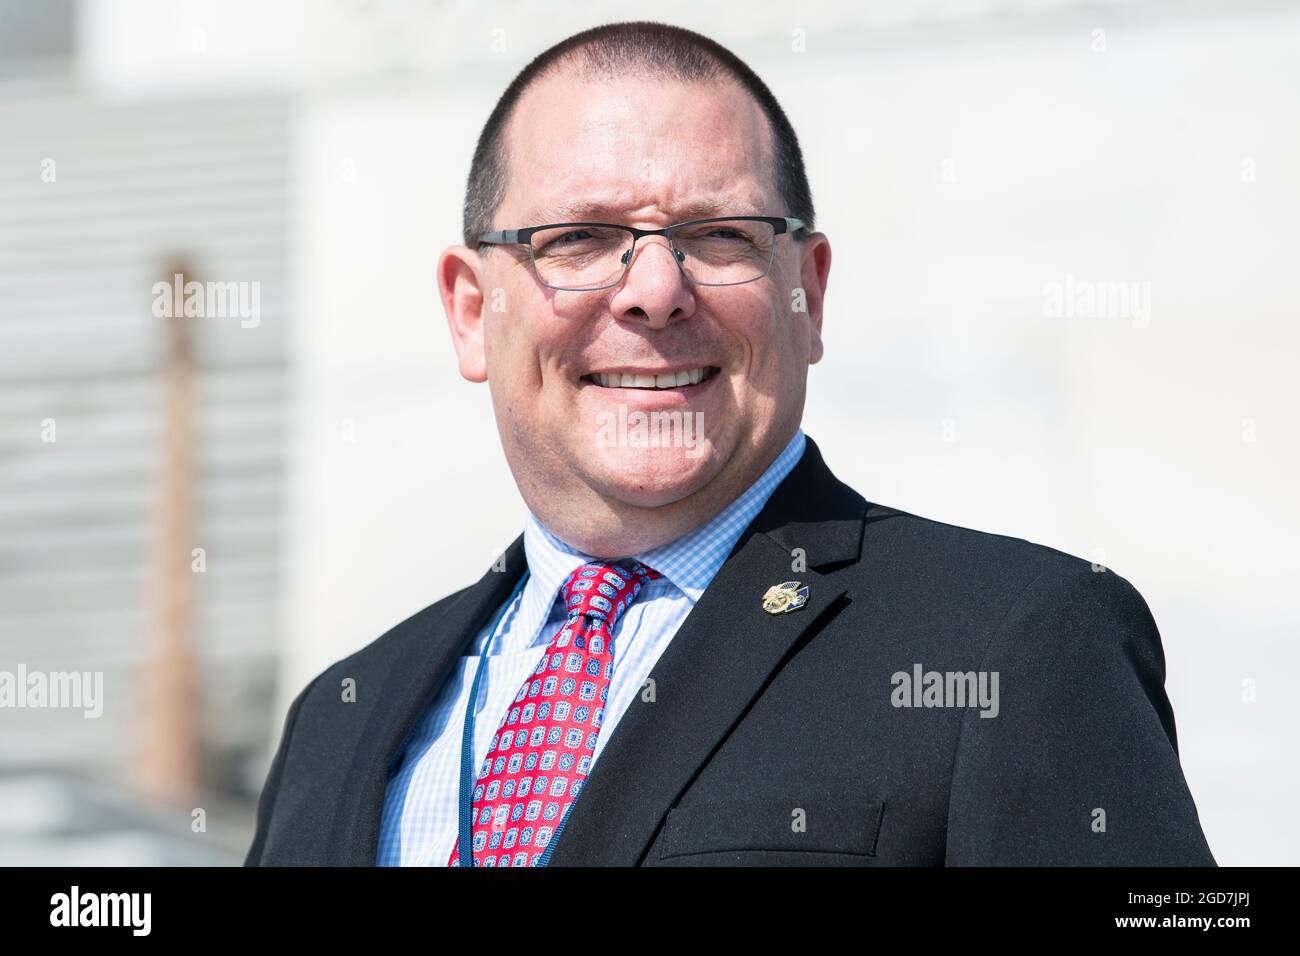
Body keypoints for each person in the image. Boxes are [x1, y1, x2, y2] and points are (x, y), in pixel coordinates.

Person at [245, 20, 1215, 867]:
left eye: (718, 236)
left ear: (810, 293)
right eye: (579, 237)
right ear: (470, 310)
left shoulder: (1017, 644)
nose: (655, 290)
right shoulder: (339, 714)